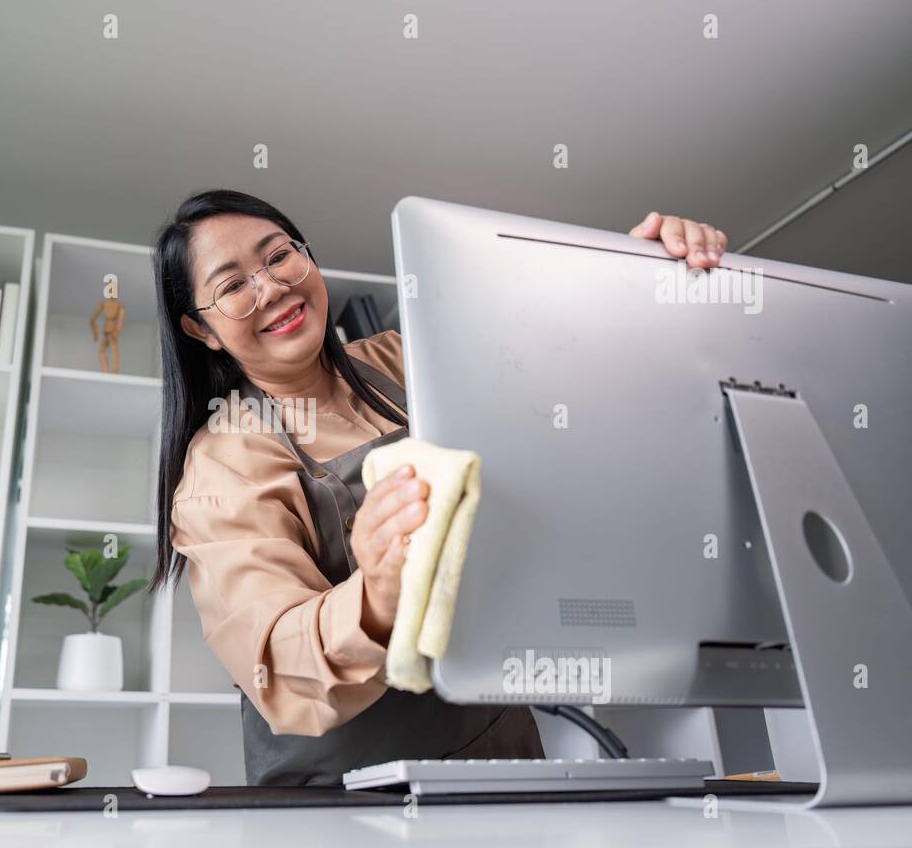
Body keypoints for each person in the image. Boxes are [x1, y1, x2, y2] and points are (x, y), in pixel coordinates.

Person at [149, 189, 728, 786]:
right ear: (202, 329)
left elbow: (555, 362)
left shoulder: (407, 357)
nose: (270, 288)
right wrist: (377, 596)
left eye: (278, 256)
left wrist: (639, 274)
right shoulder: (223, 463)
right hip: (346, 796)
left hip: (497, 753)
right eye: (233, 286)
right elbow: (275, 666)